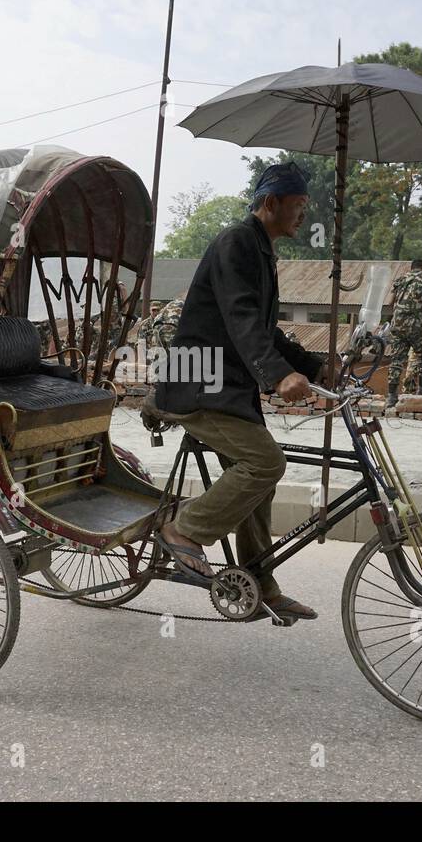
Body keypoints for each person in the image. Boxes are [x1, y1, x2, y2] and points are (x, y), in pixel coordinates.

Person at [151, 161, 324, 621]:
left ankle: (260, 581)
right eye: (298, 205)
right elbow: (241, 318)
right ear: (271, 204)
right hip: (198, 383)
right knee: (267, 463)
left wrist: (318, 367)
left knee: (259, 486)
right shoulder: (235, 243)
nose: (303, 215)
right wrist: (277, 375)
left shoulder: (261, 251)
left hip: (226, 387)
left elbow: (269, 331)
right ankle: (184, 528)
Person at [383, 258, 422, 407]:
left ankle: (391, 396)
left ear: (411, 268)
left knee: (396, 360)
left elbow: (390, 303)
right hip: (416, 326)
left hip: (398, 325)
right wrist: (421, 313)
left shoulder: (400, 280)